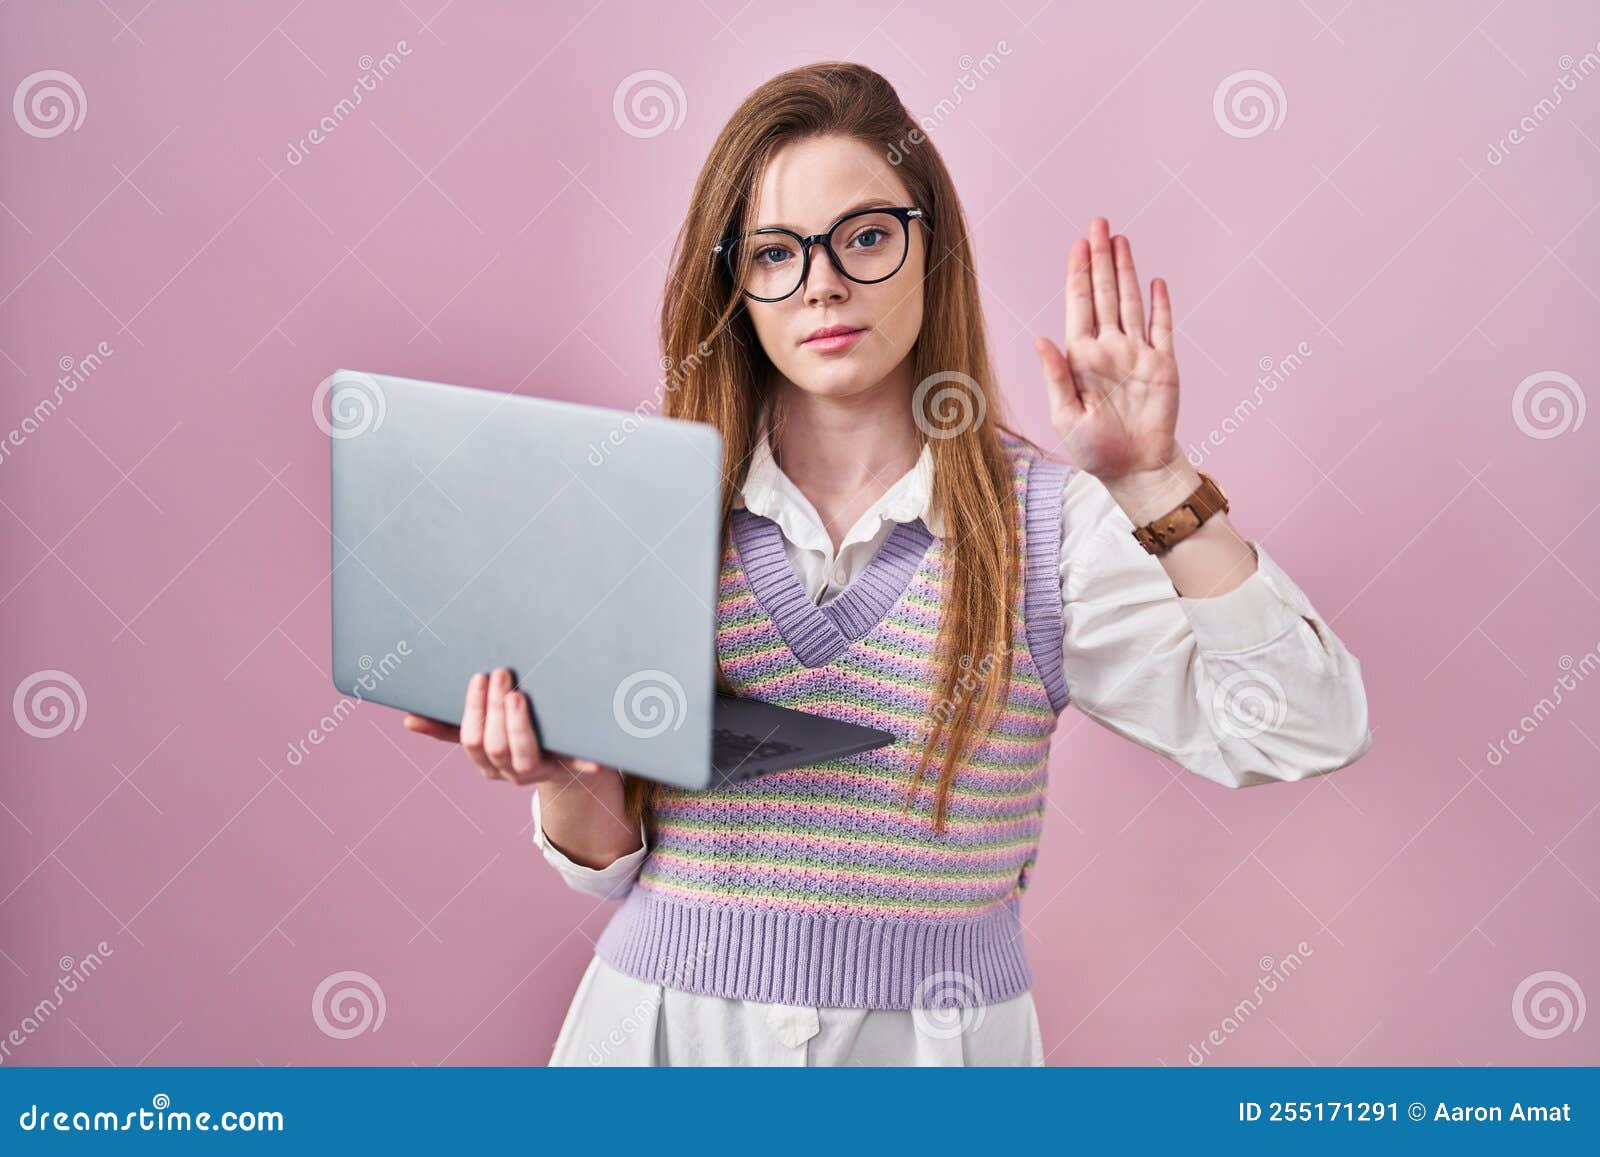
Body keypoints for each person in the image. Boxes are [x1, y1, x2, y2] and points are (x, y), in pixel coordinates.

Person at [402, 61, 1372, 1066]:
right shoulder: (650, 502)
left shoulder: (1049, 527)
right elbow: (605, 864)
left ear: (928, 246)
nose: (822, 280)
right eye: (775, 252)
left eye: (864, 236)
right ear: (733, 280)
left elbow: (1307, 727)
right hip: (656, 1042)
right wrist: (569, 773)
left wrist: (1157, 481)